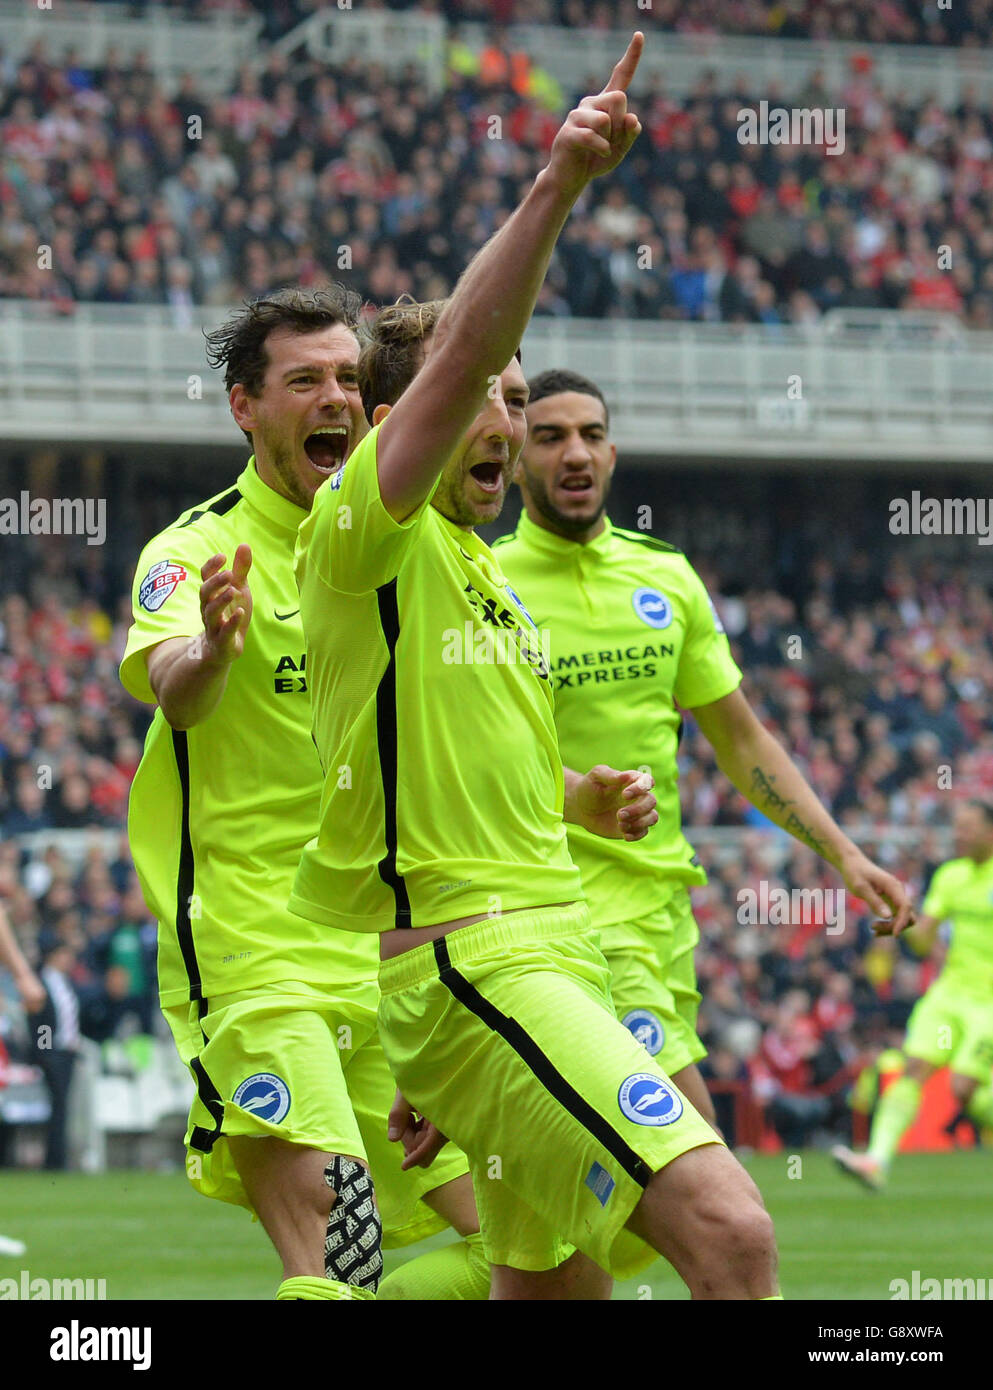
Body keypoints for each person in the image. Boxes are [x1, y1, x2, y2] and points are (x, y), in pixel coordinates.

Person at [291, 34, 788, 1300]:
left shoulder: (487, 579)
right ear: (411, 423)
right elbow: (453, 354)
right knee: (732, 1231)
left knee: (560, 1293)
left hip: (537, 960)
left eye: (522, 401)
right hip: (490, 966)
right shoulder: (366, 536)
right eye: (491, 399)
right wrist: (554, 185)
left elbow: (435, 780)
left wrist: (575, 800)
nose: (507, 421)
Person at [120, 285, 488, 1302]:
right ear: (245, 406)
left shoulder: (398, 548)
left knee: (526, 1246)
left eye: (347, 379)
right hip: (254, 946)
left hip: (389, 951)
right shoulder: (194, 550)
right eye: (304, 381)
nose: (334, 396)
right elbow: (173, 692)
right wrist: (214, 647)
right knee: (339, 1231)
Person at [493, 368, 913, 1133]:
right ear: (515, 454)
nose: (574, 453)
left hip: (659, 916)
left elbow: (741, 738)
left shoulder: (665, 577)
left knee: (564, 1235)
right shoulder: (483, 582)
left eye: (589, 434)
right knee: (711, 1197)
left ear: (613, 453)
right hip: (550, 912)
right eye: (549, 436)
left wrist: (843, 854)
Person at [834, 800, 993, 1190]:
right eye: (956, 826)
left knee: (963, 1088)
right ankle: (876, 1160)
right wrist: (904, 921)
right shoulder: (951, 876)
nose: (958, 834)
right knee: (913, 1070)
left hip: (989, 1003)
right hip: (949, 993)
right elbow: (924, 943)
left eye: (967, 827)